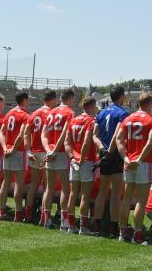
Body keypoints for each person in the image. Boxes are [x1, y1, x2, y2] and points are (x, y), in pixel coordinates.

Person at [117, 93, 152, 245]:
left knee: (126, 198)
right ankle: (137, 235)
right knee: (141, 201)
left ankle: (122, 233)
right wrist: (139, 160)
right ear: (150, 104)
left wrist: (126, 158)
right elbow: (150, 143)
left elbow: (119, 140)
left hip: (128, 162)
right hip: (143, 163)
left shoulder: (127, 119)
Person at [92, 86, 129, 237]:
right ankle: (114, 228)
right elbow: (117, 134)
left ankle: (97, 225)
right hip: (114, 155)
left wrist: (102, 149)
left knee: (102, 192)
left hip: (103, 154)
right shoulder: (123, 113)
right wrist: (111, 151)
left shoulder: (101, 113)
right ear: (120, 97)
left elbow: (94, 135)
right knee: (115, 193)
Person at [64, 97, 102, 235]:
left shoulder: (73, 120)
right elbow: (87, 142)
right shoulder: (91, 121)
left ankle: (71, 225)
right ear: (91, 107)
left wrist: (72, 157)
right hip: (86, 160)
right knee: (85, 196)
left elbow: (67, 142)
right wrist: (81, 158)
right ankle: (83, 227)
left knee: (73, 194)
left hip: (74, 160)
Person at [40, 89, 75, 229]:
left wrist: (48, 150)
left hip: (50, 152)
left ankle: (46, 219)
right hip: (60, 153)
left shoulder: (51, 112)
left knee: (49, 188)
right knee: (65, 189)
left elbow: (44, 134)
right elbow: (65, 133)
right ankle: (63, 220)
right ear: (70, 98)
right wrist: (54, 150)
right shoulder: (69, 112)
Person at [23, 89, 56, 224]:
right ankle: (44, 216)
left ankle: (28, 213)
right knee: (48, 186)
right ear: (53, 100)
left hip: (34, 152)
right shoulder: (51, 113)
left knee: (34, 185)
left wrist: (28, 151)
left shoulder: (34, 113)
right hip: (45, 151)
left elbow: (25, 134)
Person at [0, 91, 30, 222]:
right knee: (19, 183)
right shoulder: (25, 115)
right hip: (18, 152)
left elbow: (1, 133)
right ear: (24, 101)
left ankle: (2, 212)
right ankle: (18, 213)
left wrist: (5, 147)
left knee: (5, 182)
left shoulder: (9, 113)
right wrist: (13, 149)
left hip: (7, 150)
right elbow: (21, 135)